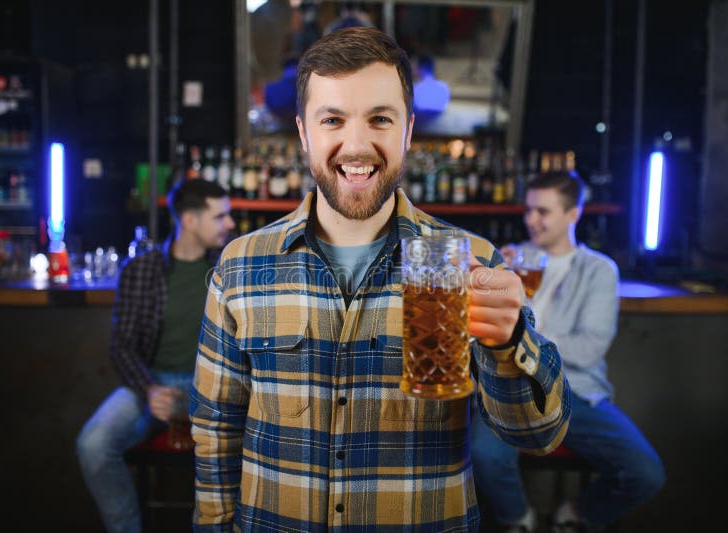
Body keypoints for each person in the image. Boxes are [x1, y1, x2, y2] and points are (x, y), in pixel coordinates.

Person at [191, 27, 570, 532]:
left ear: (407, 132)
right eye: (332, 120)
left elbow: (539, 436)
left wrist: (511, 342)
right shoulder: (241, 266)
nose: (357, 144)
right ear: (304, 133)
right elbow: (216, 431)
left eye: (379, 119)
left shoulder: (471, 262)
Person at [470, 171, 665, 532]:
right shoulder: (510, 259)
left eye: (542, 211)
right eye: (528, 210)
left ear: (573, 214)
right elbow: (479, 329)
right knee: (484, 452)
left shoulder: (599, 270)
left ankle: (574, 516)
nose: (531, 220)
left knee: (645, 472)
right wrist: (493, 277)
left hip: (572, 390)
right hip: (508, 384)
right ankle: (518, 521)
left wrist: (524, 338)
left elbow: (589, 348)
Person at [76, 178, 235, 533]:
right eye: (220, 216)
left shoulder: (230, 267)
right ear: (190, 220)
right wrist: (150, 390)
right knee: (93, 445)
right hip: (152, 384)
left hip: (213, 391)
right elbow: (122, 345)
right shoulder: (142, 270)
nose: (231, 224)